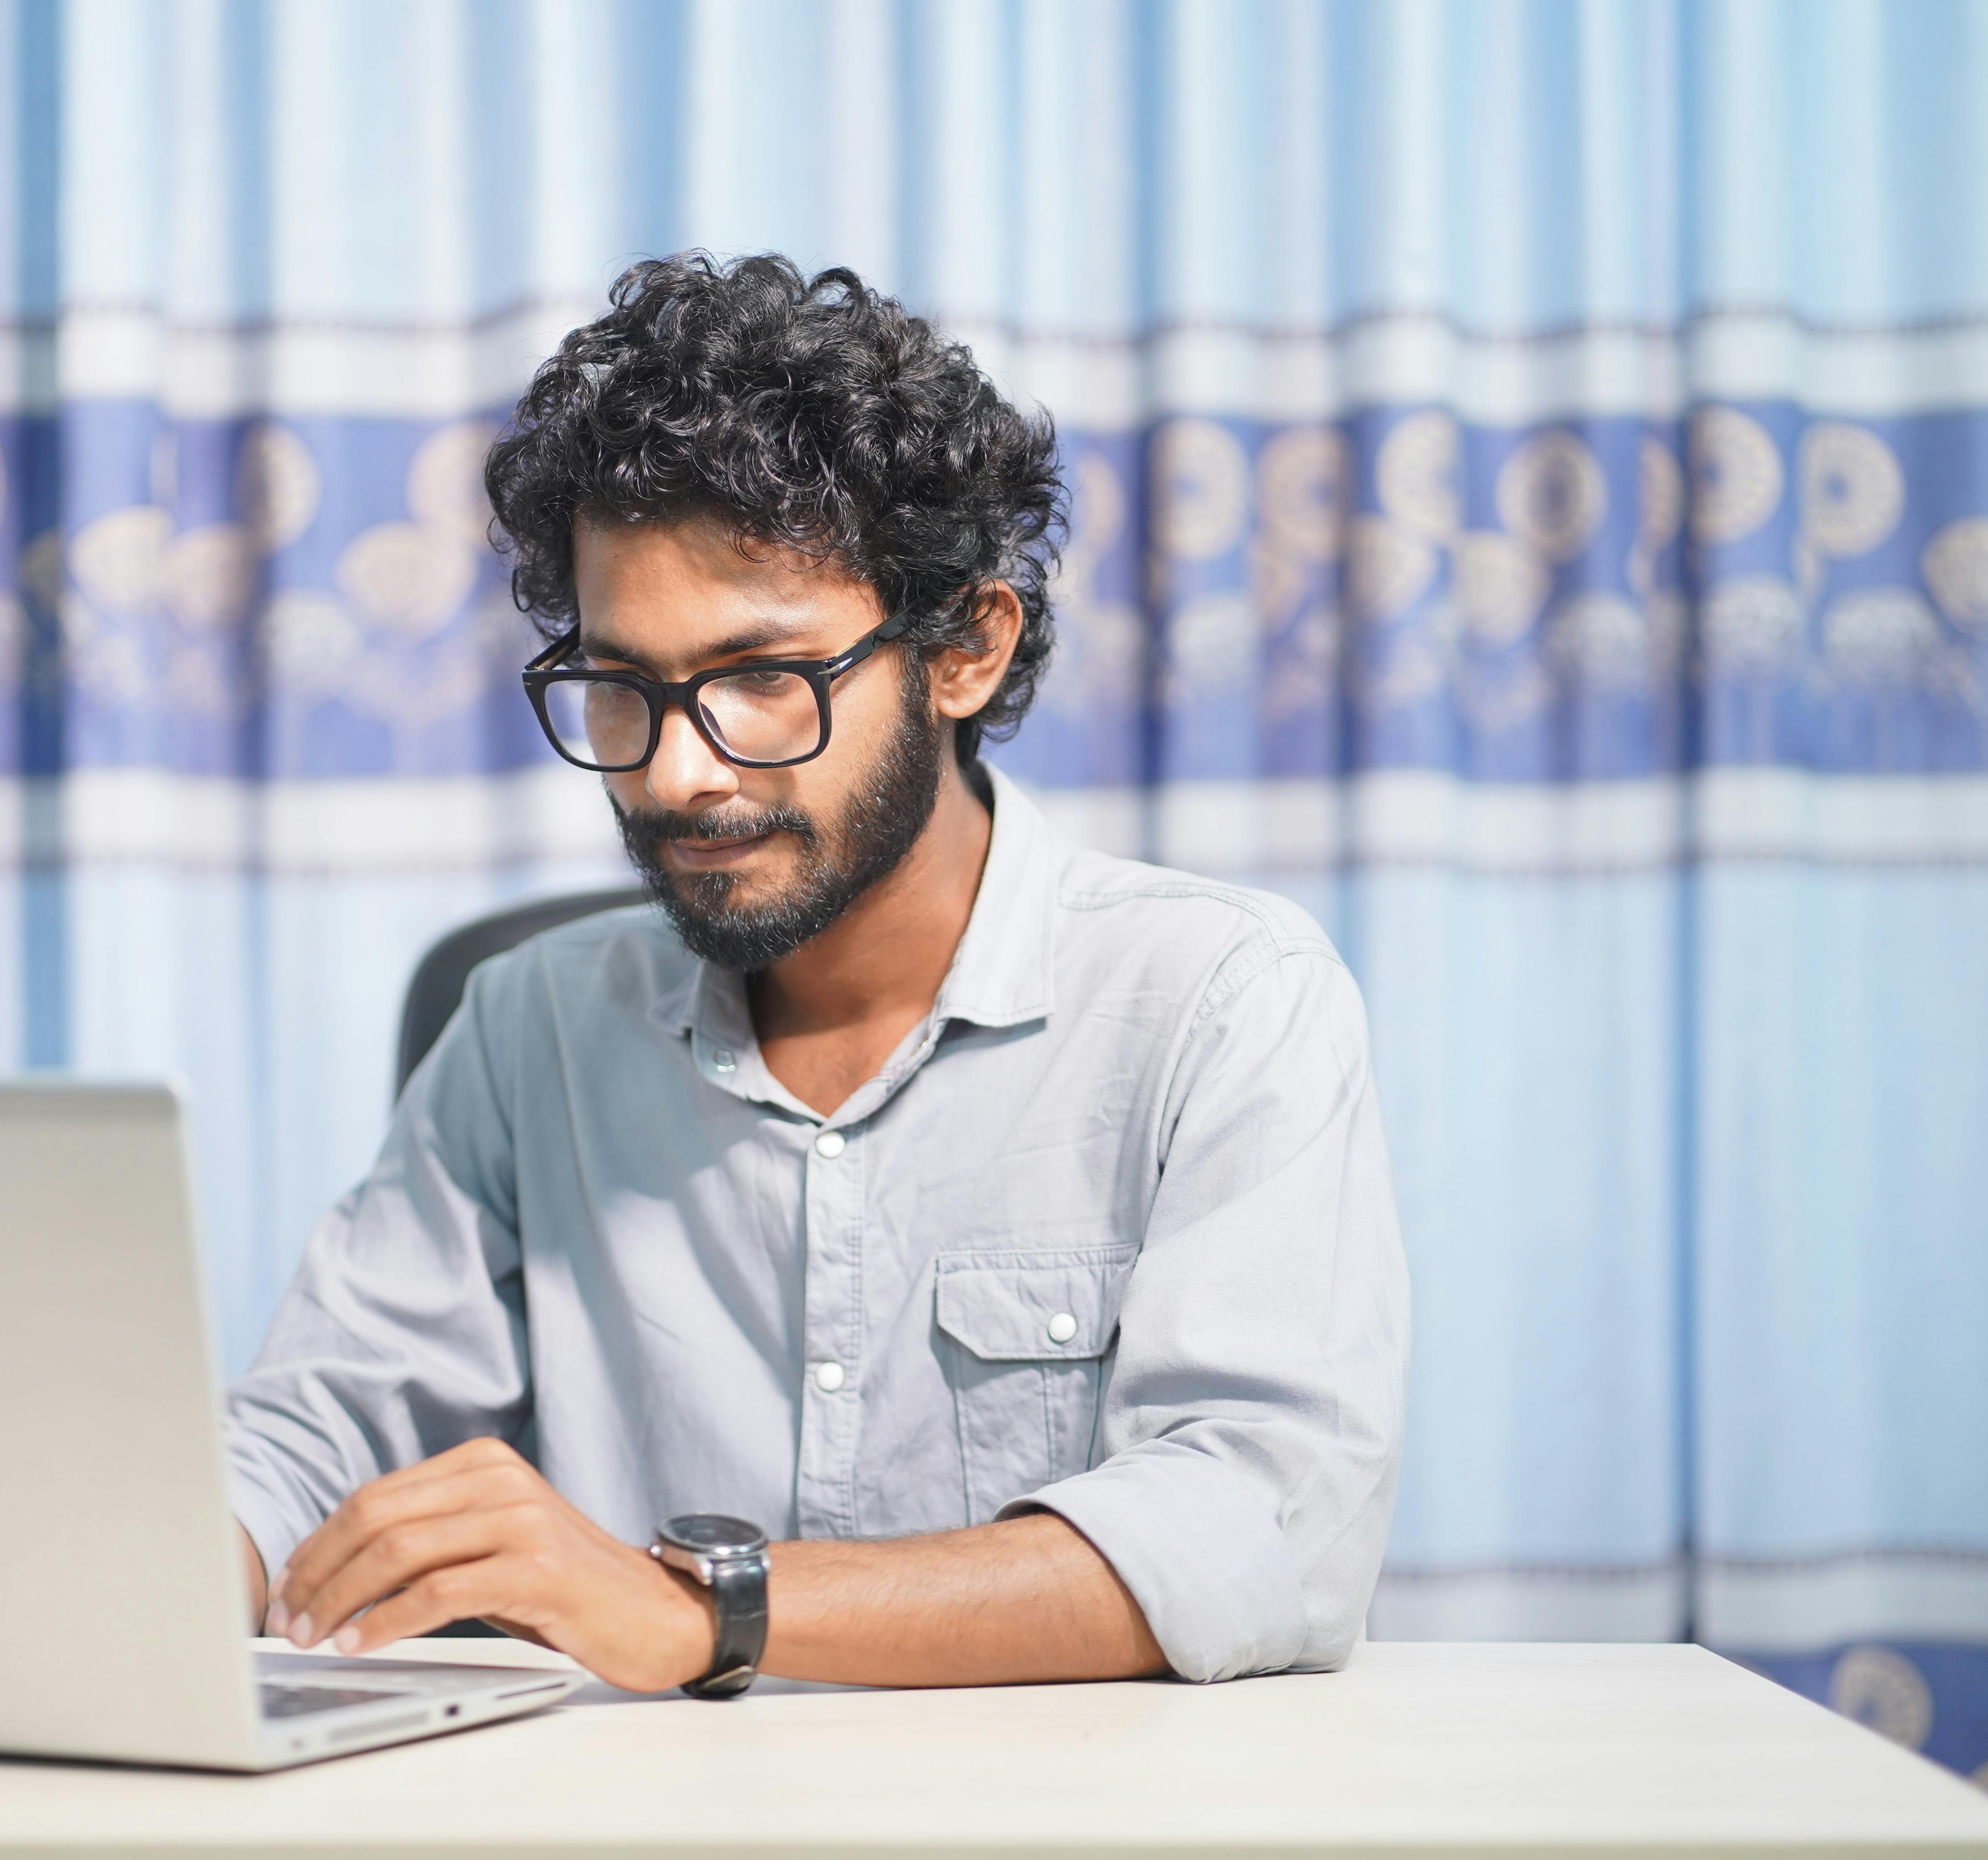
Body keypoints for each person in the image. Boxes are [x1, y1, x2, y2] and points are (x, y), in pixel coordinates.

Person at [226, 253, 1408, 1694]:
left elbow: (1262, 1529)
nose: (676, 769)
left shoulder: (1223, 1002)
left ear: (965, 649)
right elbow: (309, 1437)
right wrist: (162, 1565)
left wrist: (706, 1609)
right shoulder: (530, 1026)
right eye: (623, 687)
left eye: (761, 678)